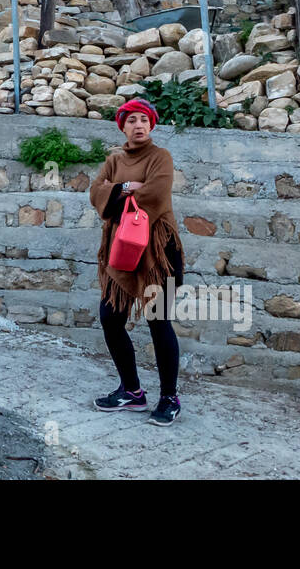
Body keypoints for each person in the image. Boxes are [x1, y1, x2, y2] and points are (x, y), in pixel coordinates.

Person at [87, 98, 185, 425]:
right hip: (123, 250)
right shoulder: (114, 161)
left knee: (158, 322)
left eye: (144, 120)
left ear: (152, 125)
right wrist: (127, 186)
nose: (138, 126)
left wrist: (116, 195)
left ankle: (169, 398)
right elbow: (95, 192)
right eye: (132, 121)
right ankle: (131, 391)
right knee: (110, 318)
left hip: (157, 253)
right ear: (123, 126)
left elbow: (156, 194)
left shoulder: (161, 157)